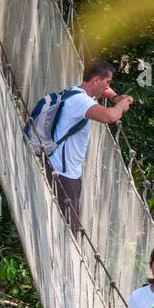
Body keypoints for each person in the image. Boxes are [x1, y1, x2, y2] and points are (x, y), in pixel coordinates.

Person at [45, 58, 134, 236]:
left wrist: (115, 97)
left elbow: (105, 91)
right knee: (68, 233)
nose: (108, 87)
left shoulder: (75, 92)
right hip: (64, 174)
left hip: (61, 169)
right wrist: (122, 105)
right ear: (96, 81)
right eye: (107, 82)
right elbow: (110, 116)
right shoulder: (81, 102)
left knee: (68, 226)